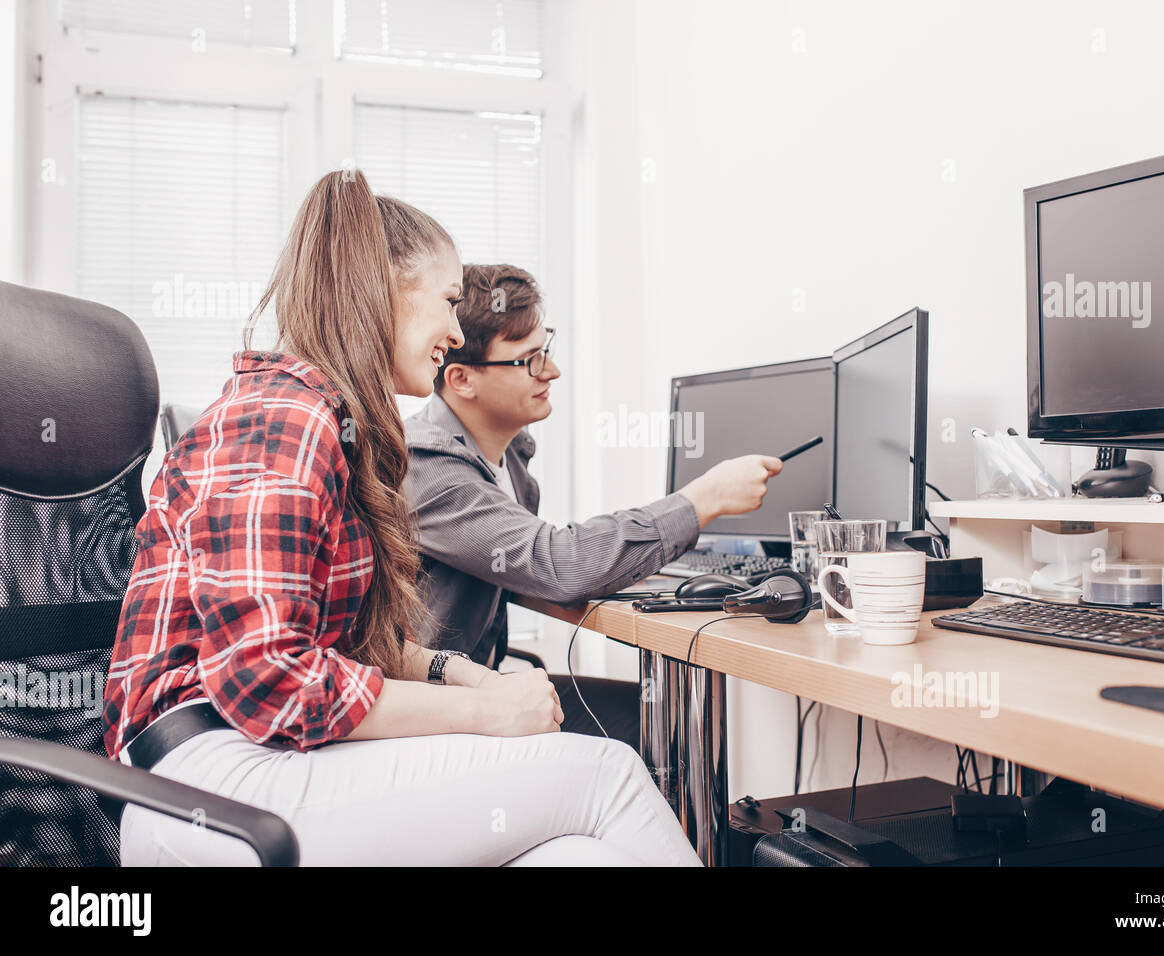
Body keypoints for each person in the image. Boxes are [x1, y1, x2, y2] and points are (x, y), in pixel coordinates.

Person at [103, 170, 701, 867]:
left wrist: (456, 673)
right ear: (380, 287)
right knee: (610, 776)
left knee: (579, 855)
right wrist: (487, 713)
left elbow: (341, 640)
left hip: (264, 763)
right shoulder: (283, 420)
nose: (455, 330)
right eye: (448, 301)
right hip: (210, 787)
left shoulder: (332, 422)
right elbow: (269, 682)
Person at [403, 263, 783, 746]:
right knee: (657, 722)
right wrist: (703, 499)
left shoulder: (510, 456)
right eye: (529, 360)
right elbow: (556, 564)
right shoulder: (427, 464)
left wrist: (623, 559)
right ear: (461, 379)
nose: (552, 371)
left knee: (658, 716)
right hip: (435, 715)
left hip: (479, 687)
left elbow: (534, 558)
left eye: (547, 350)